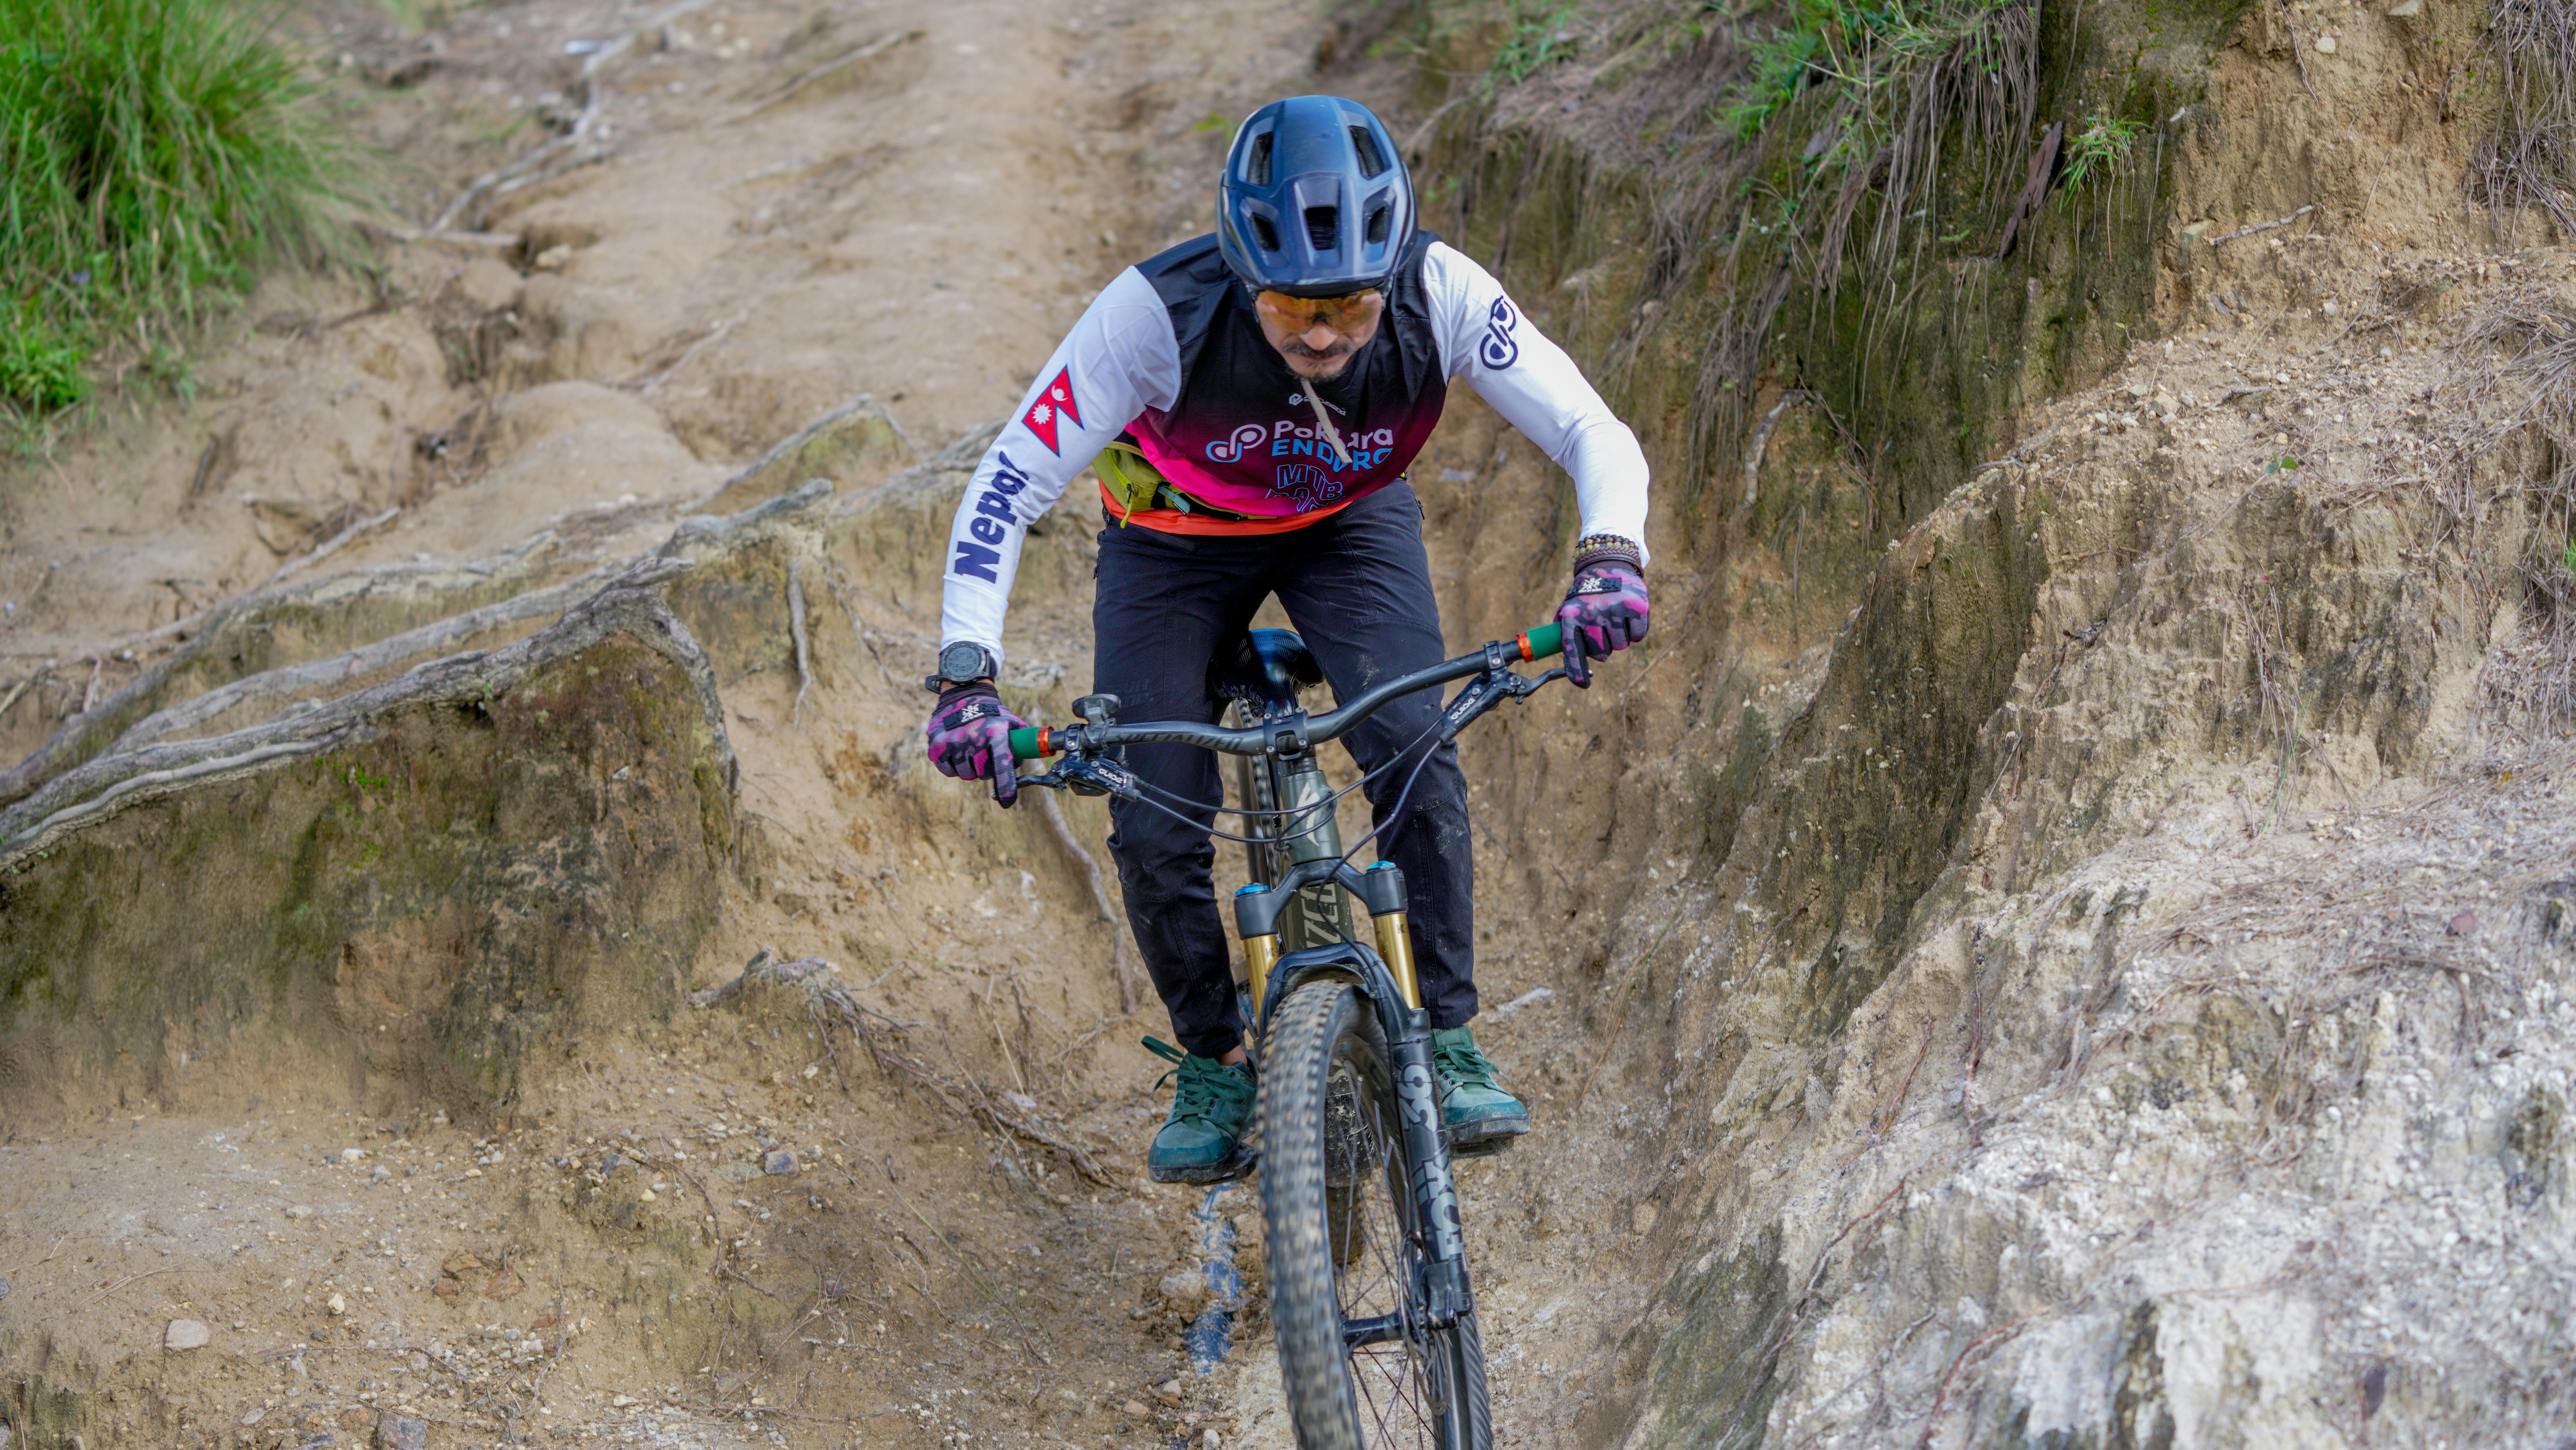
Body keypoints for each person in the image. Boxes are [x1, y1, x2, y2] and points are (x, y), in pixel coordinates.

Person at [920, 95, 1650, 1182]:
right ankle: (1215, 1059)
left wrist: (1609, 557)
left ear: (1391, 272)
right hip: (1170, 546)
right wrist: (967, 678)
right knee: (1154, 808)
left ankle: (1444, 1035)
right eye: (1291, 307)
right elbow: (1010, 483)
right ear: (1239, 272)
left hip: (1345, 531)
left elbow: (1590, 427)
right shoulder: (1151, 316)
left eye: (1350, 307)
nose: (1321, 333)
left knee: (1414, 741)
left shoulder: (1444, 294)